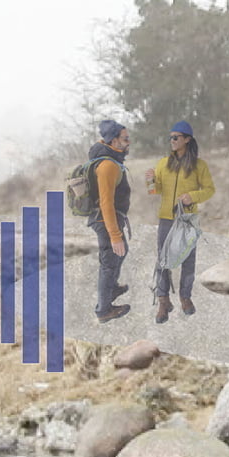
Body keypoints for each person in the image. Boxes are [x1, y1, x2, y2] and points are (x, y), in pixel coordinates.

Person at [145, 118, 215, 321]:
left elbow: (210, 190)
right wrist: (150, 180)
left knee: (188, 260)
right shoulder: (163, 163)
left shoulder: (199, 166)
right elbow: (154, 191)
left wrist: (192, 196)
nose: (172, 141)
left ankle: (185, 297)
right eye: (170, 138)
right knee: (163, 260)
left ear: (187, 139)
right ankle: (163, 301)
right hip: (166, 218)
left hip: (187, 220)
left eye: (176, 137)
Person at [85, 119, 135, 322]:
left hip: (107, 218)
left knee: (121, 253)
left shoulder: (109, 159)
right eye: (125, 138)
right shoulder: (107, 166)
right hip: (104, 220)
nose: (128, 142)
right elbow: (106, 204)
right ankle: (104, 310)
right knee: (109, 261)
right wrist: (115, 235)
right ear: (114, 141)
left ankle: (112, 289)